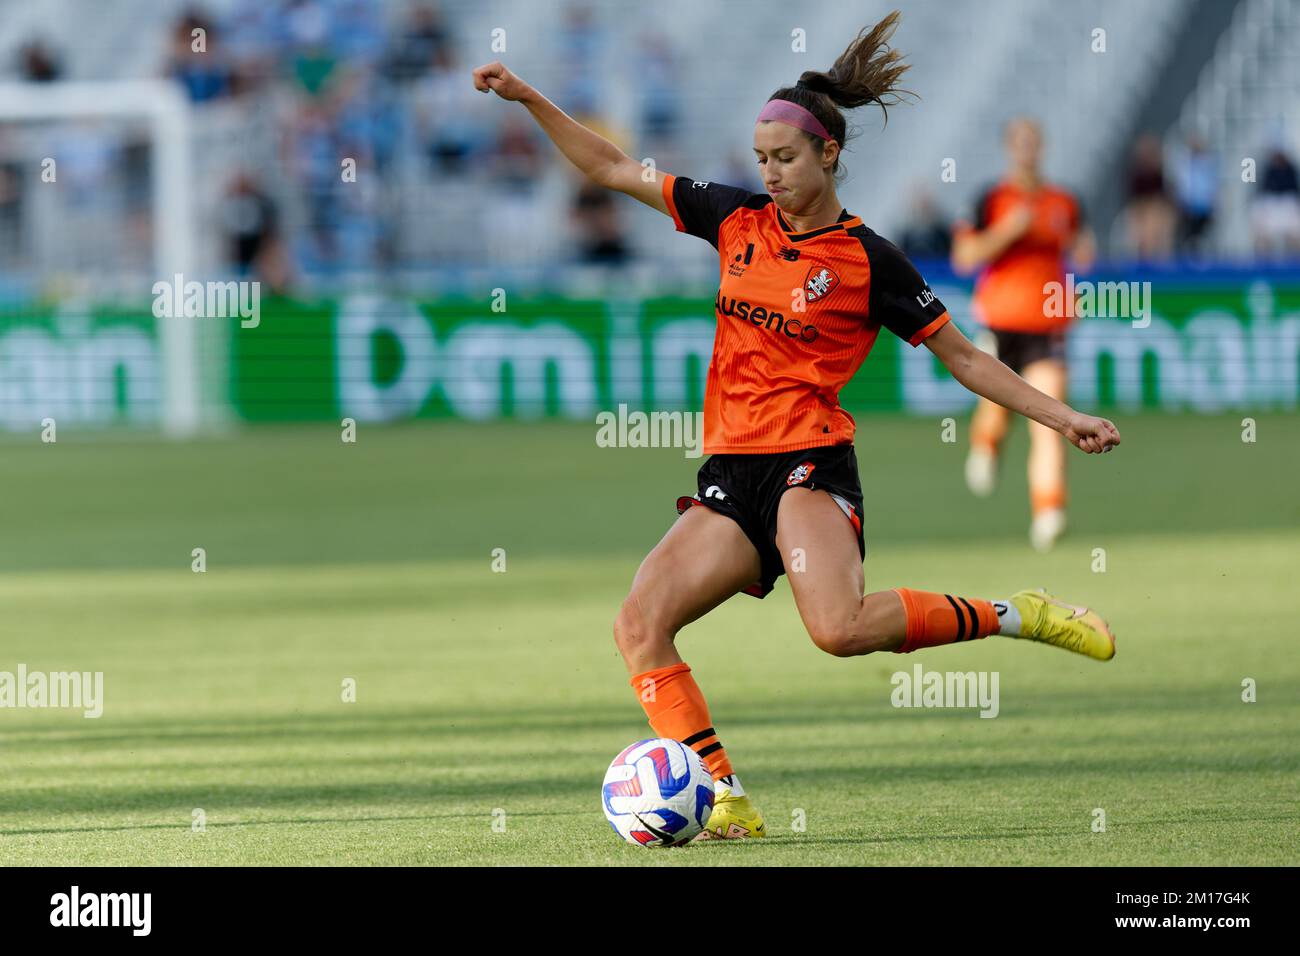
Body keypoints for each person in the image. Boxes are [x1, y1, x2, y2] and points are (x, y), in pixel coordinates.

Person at [472, 10, 1121, 842]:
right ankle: (725, 797)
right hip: (730, 472)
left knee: (839, 631)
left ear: (829, 155)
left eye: (784, 159)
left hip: (810, 464)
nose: (769, 174)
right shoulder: (732, 218)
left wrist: (1062, 417)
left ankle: (1018, 613)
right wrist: (528, 96)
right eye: (761, 160)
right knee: (638, 623)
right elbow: (608, 165)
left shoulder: (869, 260)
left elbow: (962, 357)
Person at [951, 118, 1096, 552]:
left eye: (1034, 141)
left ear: (1042, 147)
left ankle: (1049, 510)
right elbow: (965, 257)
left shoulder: (1064, 202)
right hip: (999, 322)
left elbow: (1082, 249)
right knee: (997, 411)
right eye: (1020, 142)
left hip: (1046, 325)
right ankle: (987, 442)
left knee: (1049, 418)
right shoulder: (991, 200)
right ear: (1010, 148)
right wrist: (1008, 231)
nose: (1027, 149)